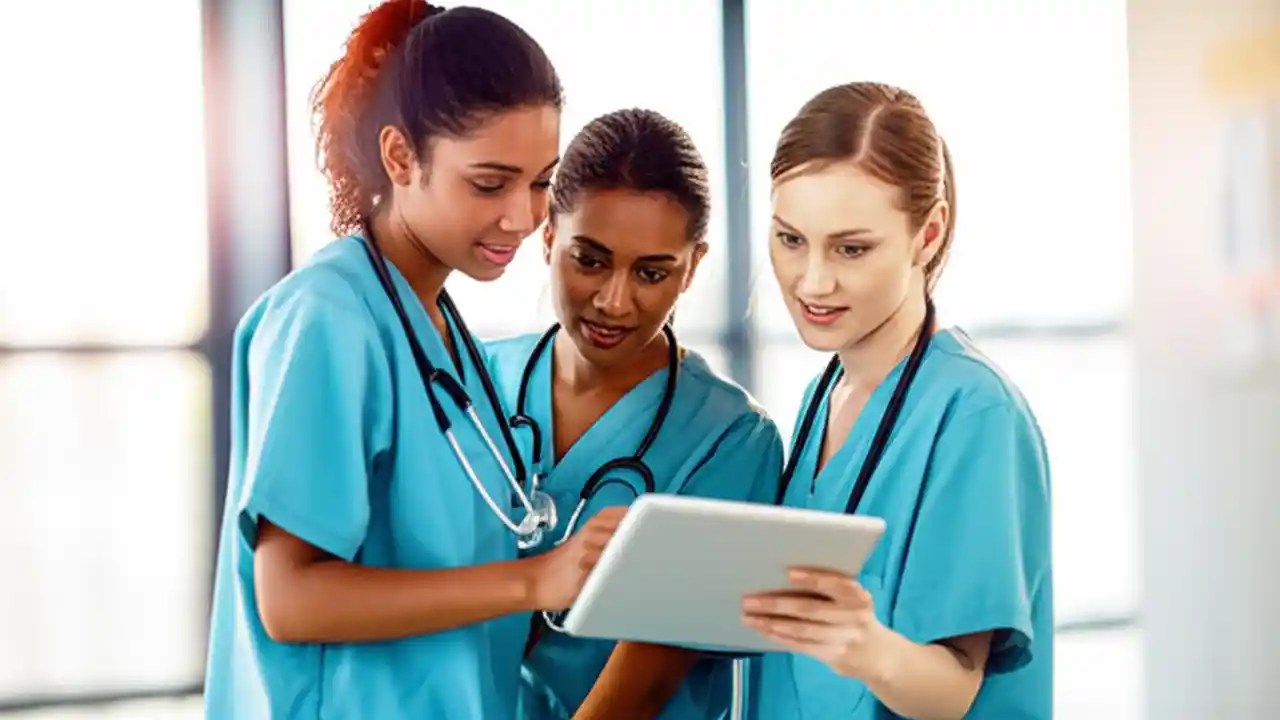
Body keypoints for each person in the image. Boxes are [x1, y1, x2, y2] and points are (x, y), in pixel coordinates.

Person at [203, 3, 625, 718]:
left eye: (538, 182)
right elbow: (291, 599)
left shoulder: (443, 332)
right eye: (490, 183)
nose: (523, 219)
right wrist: (532, 581)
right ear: (401, 158)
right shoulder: (328, 318)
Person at [739, 82, 1054, 719]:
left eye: (852, 249)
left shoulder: (973, 414)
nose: (813, 281)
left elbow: (955, 686)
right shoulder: (822, 396)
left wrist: (865, 646)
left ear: (928, 233)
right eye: (790, 239)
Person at [483, 108, 785, 719]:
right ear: (548, 238)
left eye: (652, 273)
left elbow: (644, 682)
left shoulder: (730, 439)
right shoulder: (473, 383)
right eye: (589, 260)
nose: (614, 301)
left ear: (693, 267)